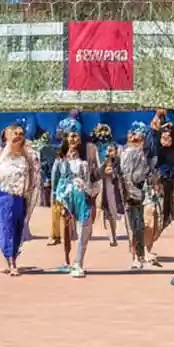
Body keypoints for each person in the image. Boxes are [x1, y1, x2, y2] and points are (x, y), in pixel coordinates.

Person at [0, 122, 41, 276]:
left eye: (21, 134)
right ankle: (11, 262)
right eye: (15, 134)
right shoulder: (0, 154)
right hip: (3, 197)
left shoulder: (27, 155)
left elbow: (34, 174)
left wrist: (30, 191)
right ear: (7, 137)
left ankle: (11, 258)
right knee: (5, 229)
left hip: (19, 199)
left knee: (17, 230)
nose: (18, 137)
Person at [51, 118, 101, 278]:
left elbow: (90, 180)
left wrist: (92, 197)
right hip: (65, 198)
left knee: (85, 227)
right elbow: (55, 181)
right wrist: (56, 200)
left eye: (76, 136)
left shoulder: (84, 162)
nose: (74, 139)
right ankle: (67, 260)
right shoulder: (60, 161)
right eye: (71, 136)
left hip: (82, 198)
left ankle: (78, 261)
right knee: (66, 228)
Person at [118, 122, 157, 269]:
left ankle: (141, 255)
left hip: (143, 192)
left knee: (141, 225)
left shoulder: (145, 153)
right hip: (131, 193)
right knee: (133, 226)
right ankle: (135, 256)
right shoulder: (128, 152)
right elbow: (129, 175)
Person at [145, 109, 174, 227]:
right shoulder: (155, 144)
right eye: (164, 137)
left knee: (169, 192)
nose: (167, 139)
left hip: (170, 176)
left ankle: (167, 219)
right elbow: (151, 138)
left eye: (169, 137)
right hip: (157, 174)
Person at [92, 124, 123, 247]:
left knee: (112, 209)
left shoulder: (114, 147)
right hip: (99, 181)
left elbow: (119, 164)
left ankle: (113, 235)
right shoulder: (94, 149)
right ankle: (110, 235)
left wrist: (113, 168)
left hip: (112, 182)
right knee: (103, 209)